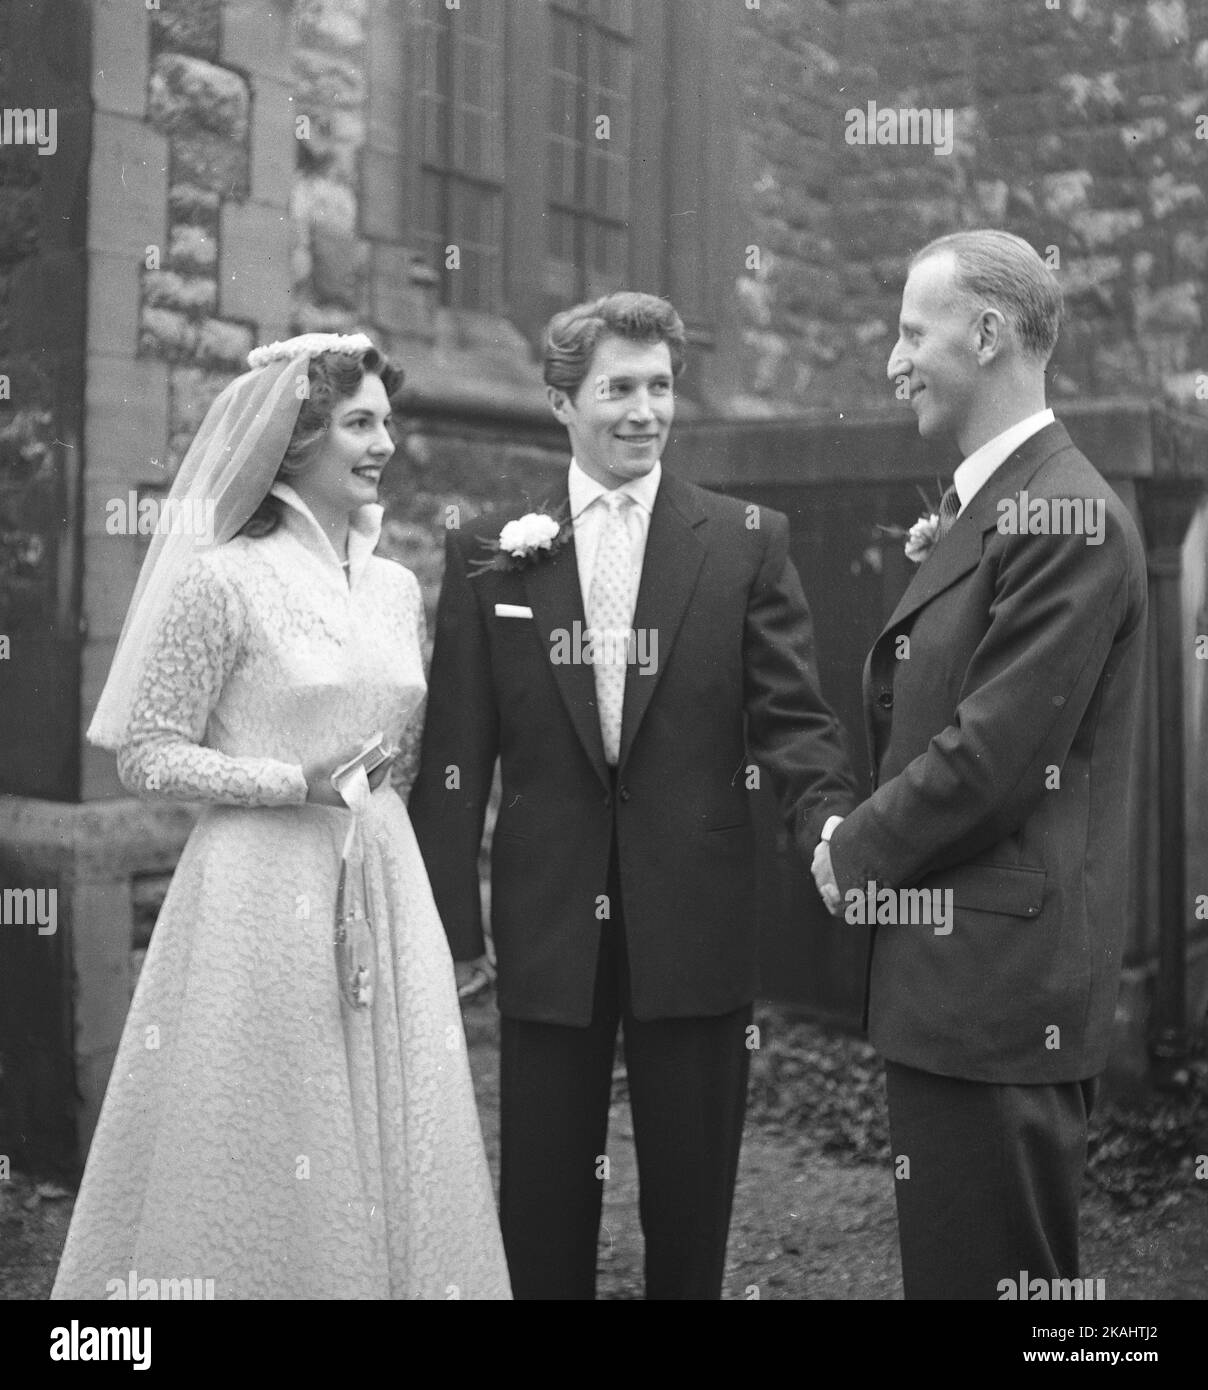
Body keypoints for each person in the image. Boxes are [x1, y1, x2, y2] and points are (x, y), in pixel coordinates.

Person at [409, 291, 857, 1299]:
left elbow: (792, 719)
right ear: (561, 401)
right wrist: (452, 930)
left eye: (659, 386)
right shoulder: (490, 551)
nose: (643, 410)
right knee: (540, 1203)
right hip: (547, 921)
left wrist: (826, 819)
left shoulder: (746, 541)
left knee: (689, 1209)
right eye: (618, 387)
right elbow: (456, 754)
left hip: (693, 917)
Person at [52, 333, 511, 1300]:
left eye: (388, 421)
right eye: (359, 423)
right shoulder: (221, 578)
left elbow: (395, 734)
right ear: (295, 439)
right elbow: (147, 751)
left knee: (395, 1118)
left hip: (379, 873)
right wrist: (284, 782)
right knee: (274, 1112)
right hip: (258, 883)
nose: (385, 441)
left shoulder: (392, 585)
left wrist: (370, 791)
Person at [810, 231, 1148, 1299]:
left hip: (1000, 995)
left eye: (913, 331)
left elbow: (993, 757)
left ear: (987, 332)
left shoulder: (1065, 515)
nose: (893, 361)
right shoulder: (997, 504)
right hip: (958, 986)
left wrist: (848, 852)